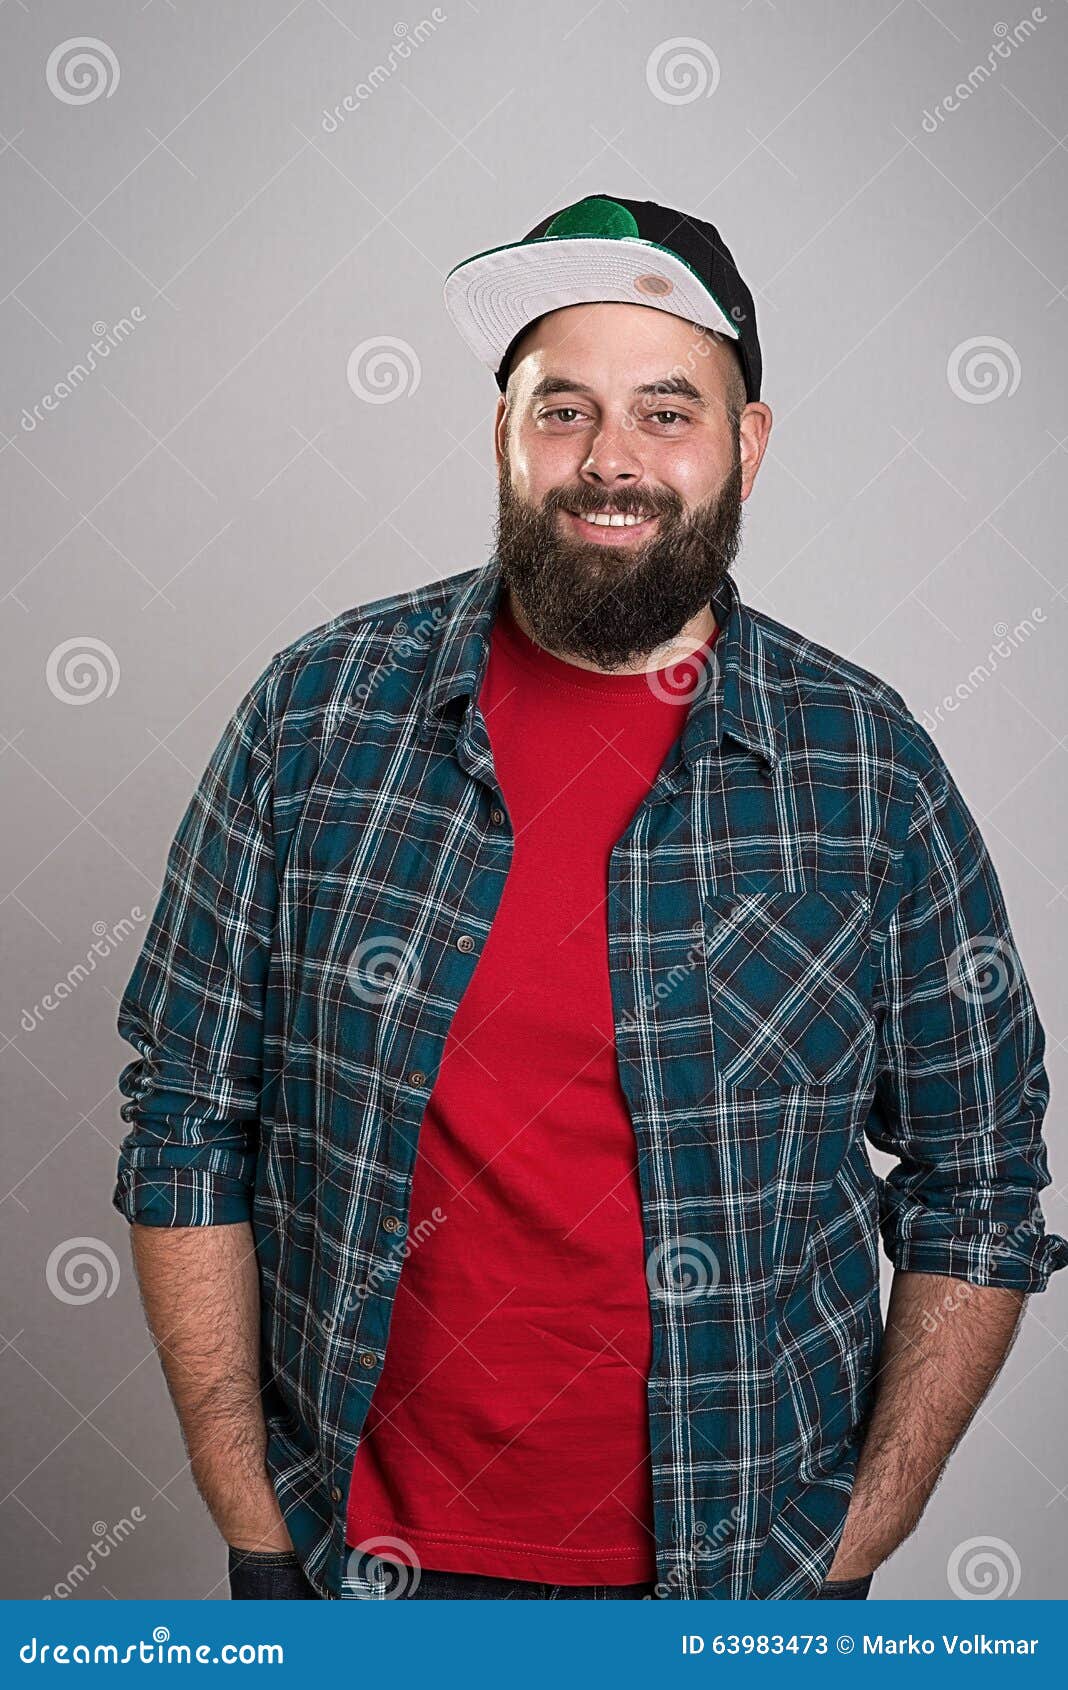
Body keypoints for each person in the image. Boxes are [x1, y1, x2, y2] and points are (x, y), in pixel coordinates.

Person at [112, 194, 1066, 1602]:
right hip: (352, 1575)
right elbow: (189, 1107)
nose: (610, 460)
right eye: (563, 408)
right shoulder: (316, 716)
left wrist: (858, 1532)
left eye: (667, 411)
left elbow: (978, 1176)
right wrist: (254, 1516)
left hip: (742, 1587)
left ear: (747, 444)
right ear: (504, 431)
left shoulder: (864, 765)